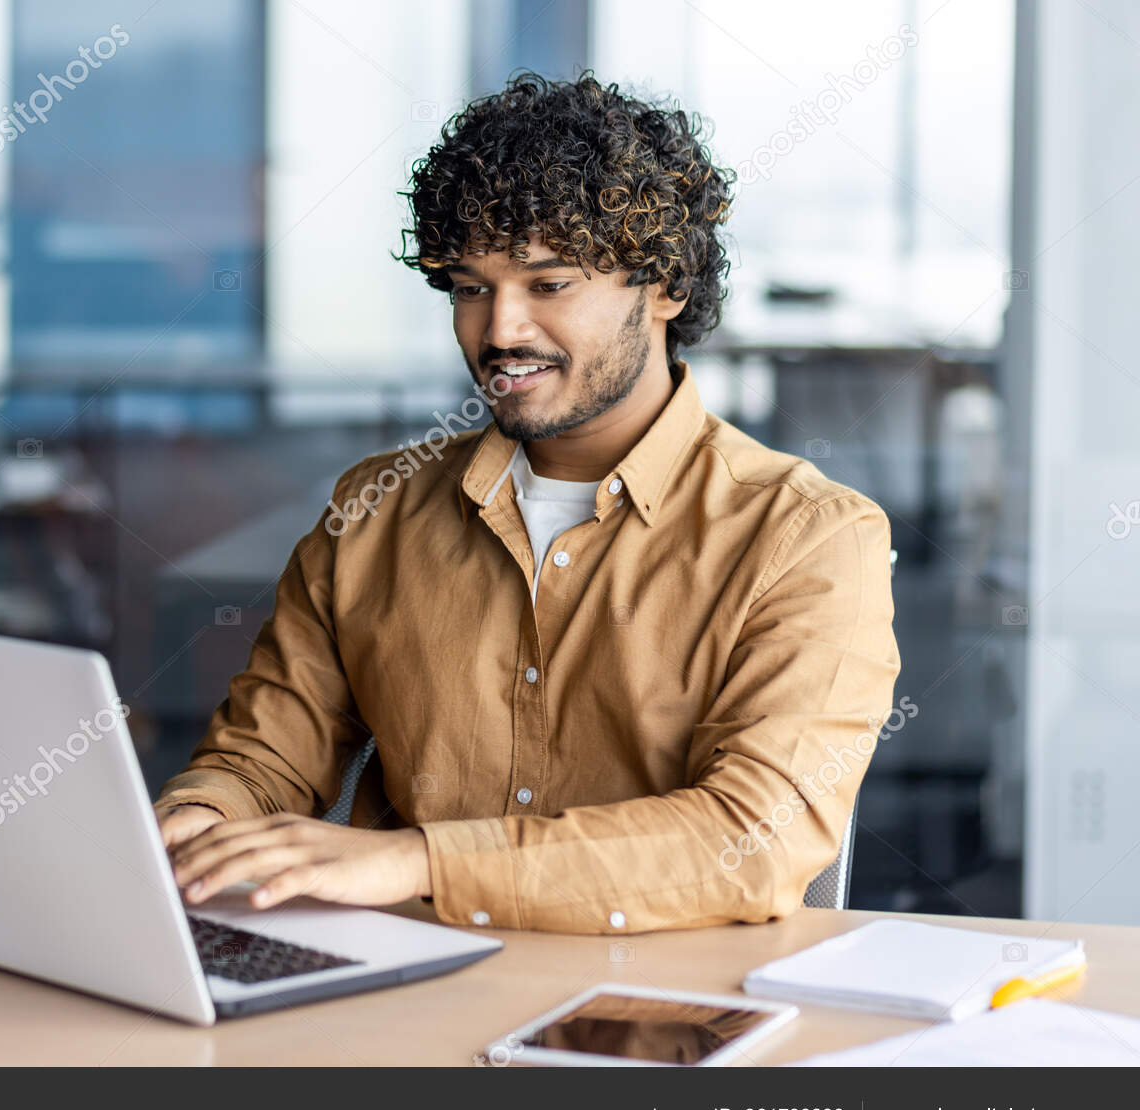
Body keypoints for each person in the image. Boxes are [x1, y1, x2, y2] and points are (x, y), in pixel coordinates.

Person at [153, 72, 900, 935]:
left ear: (665, 288)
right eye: (470, 287)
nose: (500, 329)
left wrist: (421, 861)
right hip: (406, 1004)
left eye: (548, 285)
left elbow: (751, 837)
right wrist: (202, 824)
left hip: (659, 1028)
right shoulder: (376, 509)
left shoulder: (808, 538)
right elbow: (264, 757)